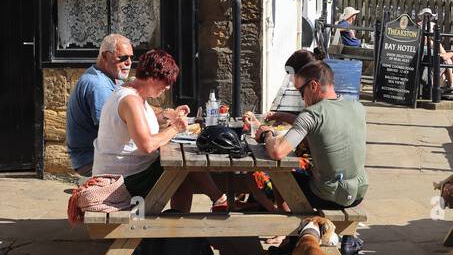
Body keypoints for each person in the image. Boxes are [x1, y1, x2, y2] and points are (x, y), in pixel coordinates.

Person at [92, 49, 227, 211]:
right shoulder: (130, 100)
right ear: (151, 77)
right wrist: (175, 128)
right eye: (165, 82)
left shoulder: (133, 90)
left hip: (129, 173)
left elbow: (148, 116)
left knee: (182, 169)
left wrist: (170, 114)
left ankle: (182, 220)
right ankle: (218, 199)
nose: (168, 87)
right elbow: (147, 145)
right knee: (183, 163)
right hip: (123, 182)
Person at [247, 59, 368, 210]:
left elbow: (277, 152)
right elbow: (321, 125)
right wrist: (281, 116)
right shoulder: (358, 108)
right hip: (358, 194)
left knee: (279, 176)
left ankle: (289, 226)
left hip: (328, 196)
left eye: (300, 91)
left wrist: (267, 134)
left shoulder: (311, 114)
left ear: (313, 86)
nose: (302, 98)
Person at [66, 33, 134, 176]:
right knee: (158, 168)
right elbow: (113, 128)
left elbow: (131, 107)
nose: (129, 62)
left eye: (130, 57)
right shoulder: (98, 85)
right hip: (91, 161)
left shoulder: (113, 78)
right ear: (105, 57)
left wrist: (162, 115)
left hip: (99, 156)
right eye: (122, 58)